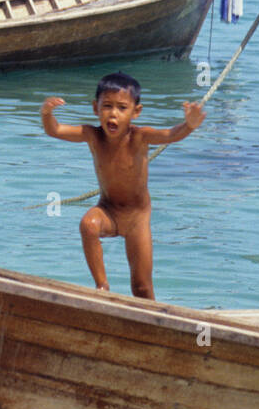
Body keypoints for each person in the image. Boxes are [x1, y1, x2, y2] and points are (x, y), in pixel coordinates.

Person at [40, 71, 205, 297]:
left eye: (121, 108)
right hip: (108, 211)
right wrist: (47, 113)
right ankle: (102, 288)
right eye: (106, 106)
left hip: (137, 218)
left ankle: (151, 327)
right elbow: (55, 130)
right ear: (95, 108)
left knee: (142, 287)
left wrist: (189, 125)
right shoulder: (92, 135)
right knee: (88, 224)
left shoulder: (140, 137)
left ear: (136, 112)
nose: (113, 114)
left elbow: (170, 134)